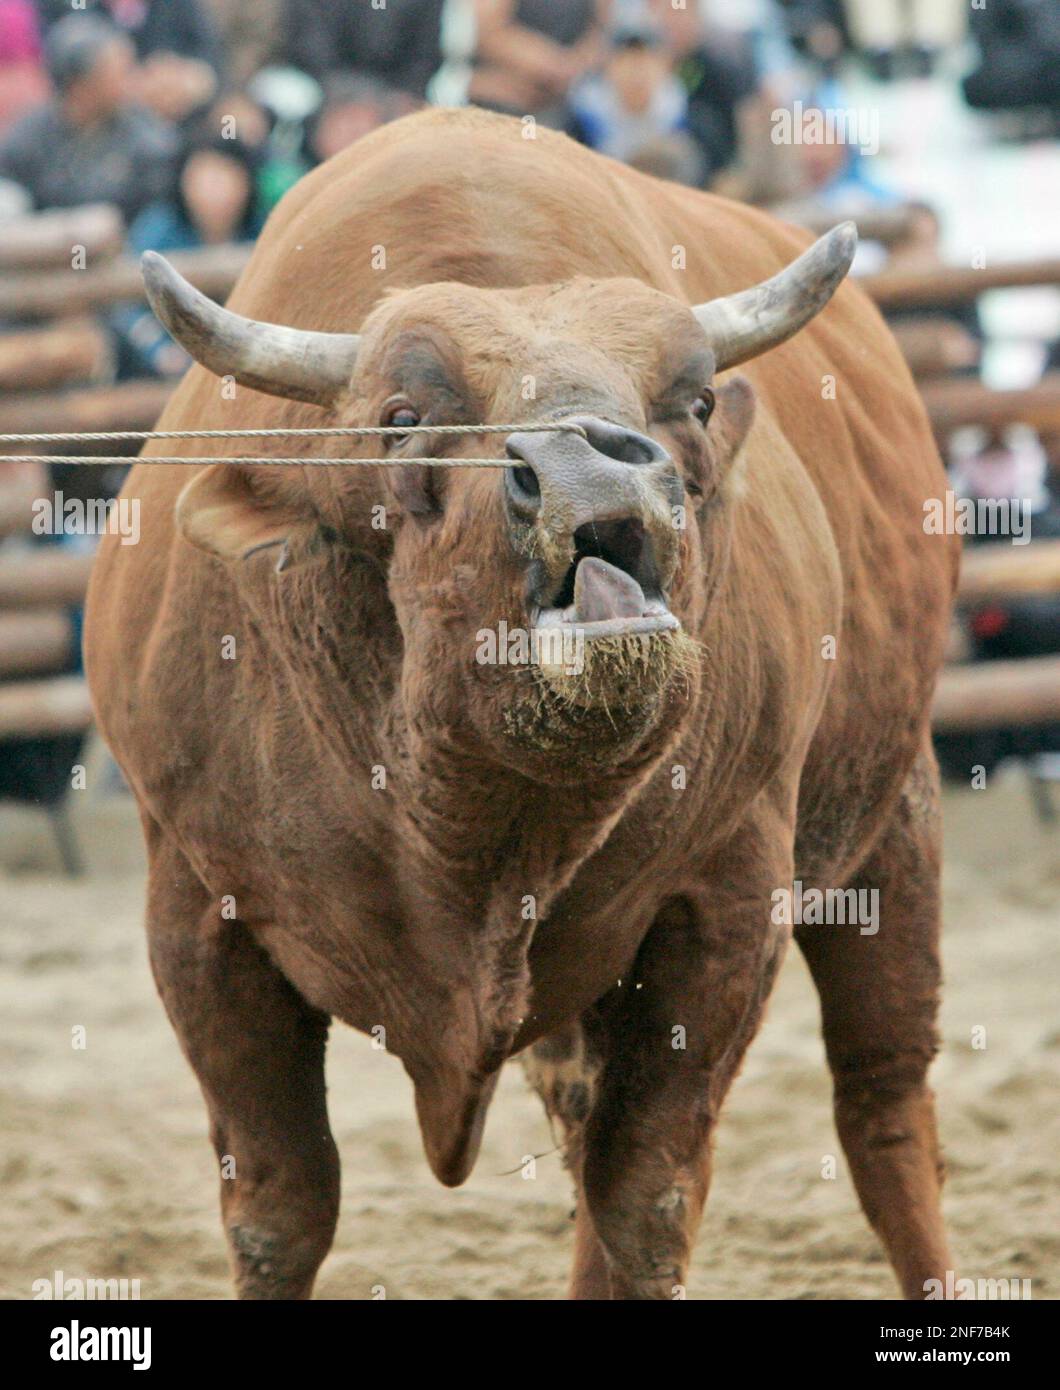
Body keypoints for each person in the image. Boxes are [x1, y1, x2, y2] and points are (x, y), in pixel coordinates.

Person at [109, 132, 263, 378]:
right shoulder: (159, 230)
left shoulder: (261, 232)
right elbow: (127, 306)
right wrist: (159, 350)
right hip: (165, 371)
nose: (213, 191)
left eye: (224, 178)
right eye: (203, 179)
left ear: (245, 183)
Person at [0, 14, 177, 222]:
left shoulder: (149, 138)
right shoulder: (27, 138)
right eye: (120, 72)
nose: (131, 80)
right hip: (44, 247)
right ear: (80, 85)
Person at [567, 18, 705, 185]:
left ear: (666, 66)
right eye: (625, 60)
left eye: (645, 60)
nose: (636, 72)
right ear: (607, 67)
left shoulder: (694, 121)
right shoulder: (578, 124)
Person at [37, 0, 224, 122]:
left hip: (180, 116)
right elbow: (59, 66)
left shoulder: (179, 7)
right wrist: (131, 86)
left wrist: (183, 79)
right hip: (96, 119)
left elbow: (211, 61)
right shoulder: (69, 7)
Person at [468, 0, 609, 122]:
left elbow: (599, 30)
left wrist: (572, 66)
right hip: (497, 100)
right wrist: (551, 66)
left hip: (559, 104)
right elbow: (486, 30)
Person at [285, 0, 445, 102]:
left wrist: (400, 94)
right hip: (323, 85)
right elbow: (312, 52)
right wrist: (353, 95)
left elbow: (424, 57)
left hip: (397, 90)